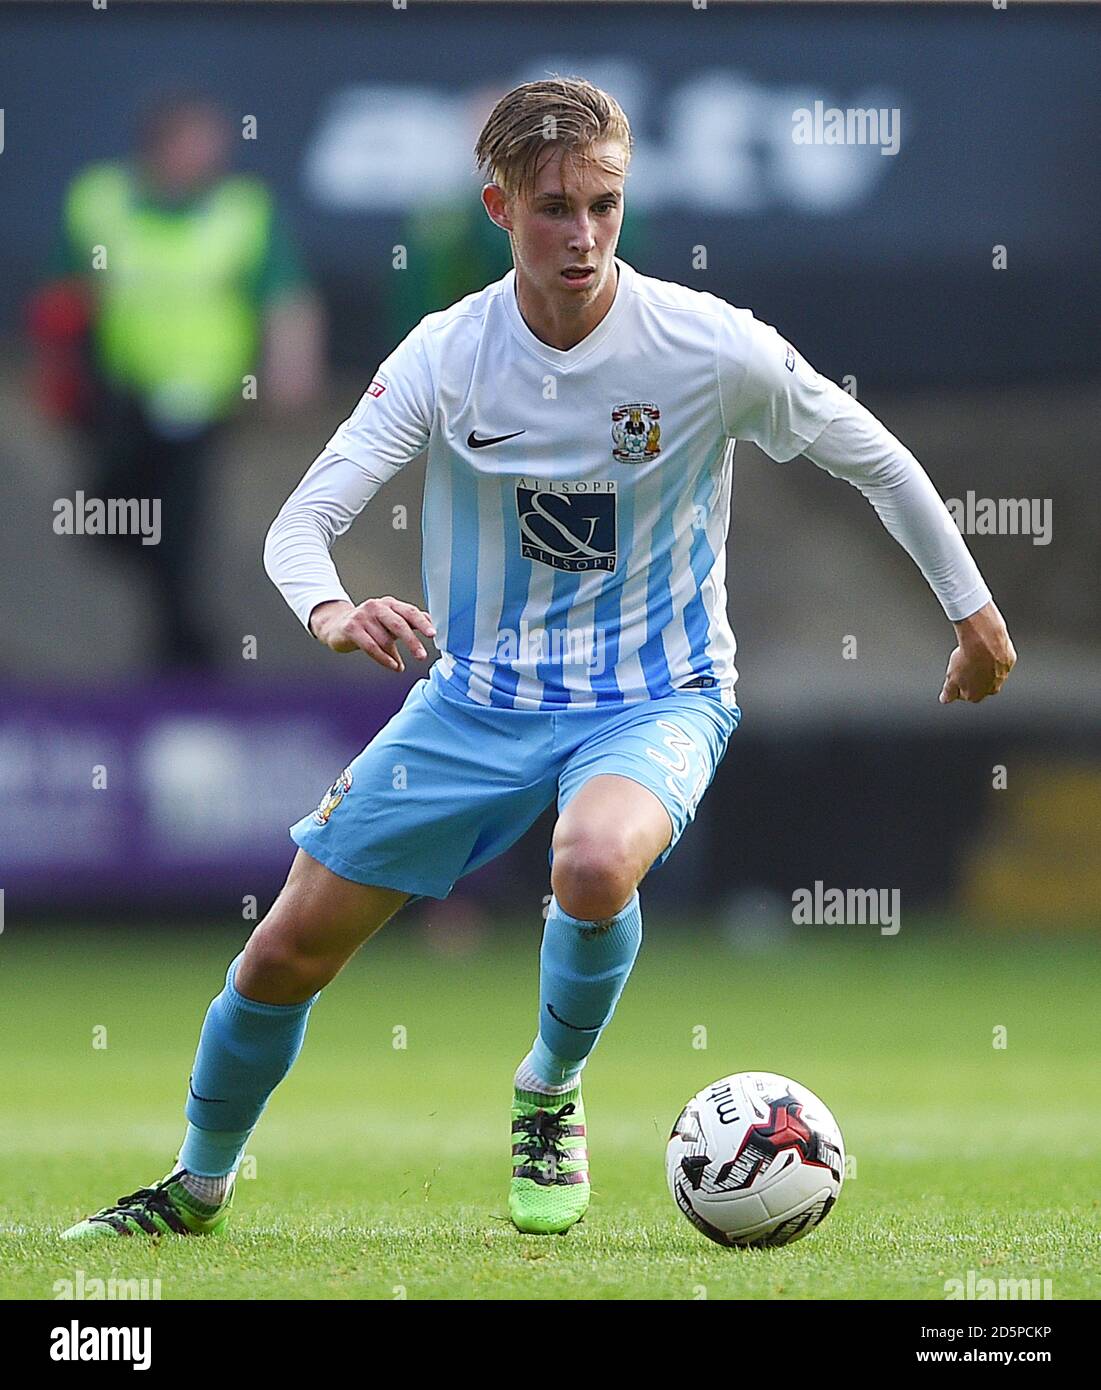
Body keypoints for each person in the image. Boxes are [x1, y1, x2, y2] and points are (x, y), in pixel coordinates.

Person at [61, 77, 1015, 1241]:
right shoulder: (447, 354)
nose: (584, 234)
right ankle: (197, 1186)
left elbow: (877, 458)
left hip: (655, 694)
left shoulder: (708, 348)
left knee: (595, 862)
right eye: (555, 207)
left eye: (605, 204)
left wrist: (970, 612)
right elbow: (298, 523)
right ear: (499, 207)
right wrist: (329, 610)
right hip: (475, 699)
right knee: (282, 951)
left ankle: (549, 1092)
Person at [32, 92, 324, 668]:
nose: (211, 156)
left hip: (202, 404)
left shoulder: (242, 210)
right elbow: (63, 293)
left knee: (180, 533)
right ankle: (181, 638)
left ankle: (182, 652)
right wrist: (57, 374)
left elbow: (286, 297)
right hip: (119, 398)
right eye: (196, 143)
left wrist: (291, 371)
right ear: (160, 147)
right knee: (109, 521)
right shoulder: (101, 200)